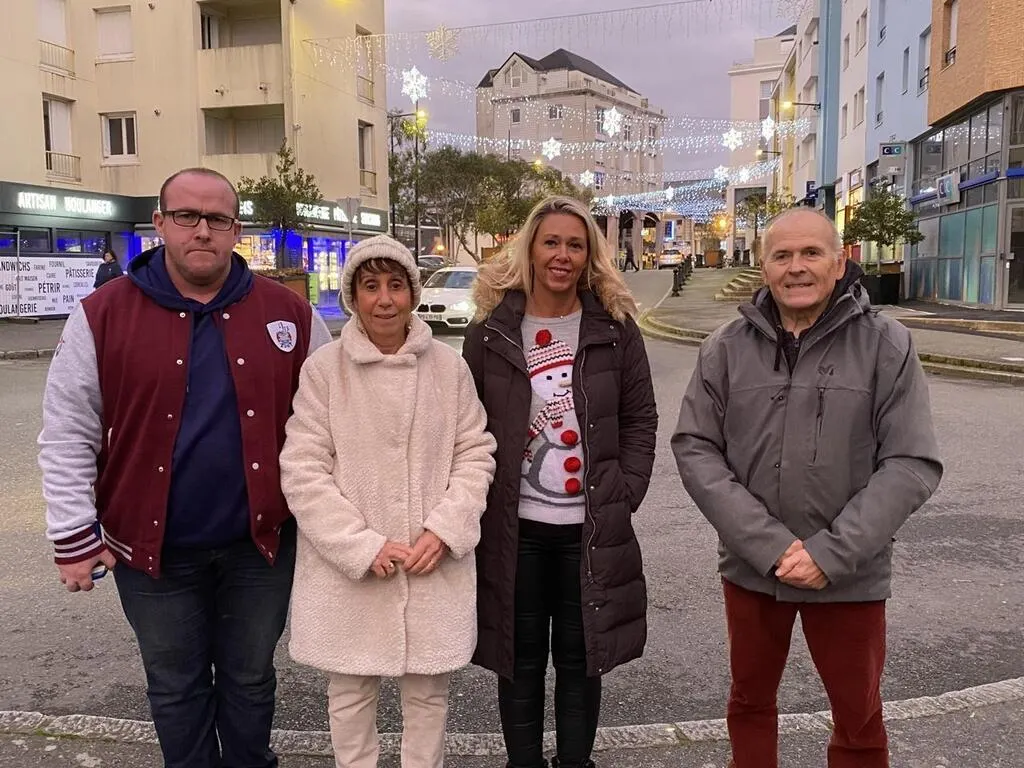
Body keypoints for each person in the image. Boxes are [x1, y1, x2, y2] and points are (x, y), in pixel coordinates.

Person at [38, 167, 333, 768]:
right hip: (151, 553)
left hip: (260, 548)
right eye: (187, 217)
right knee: (175, 685)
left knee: (251, 679)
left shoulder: (293, 316)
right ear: (160, 224)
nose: (203, 230)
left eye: (218, 219)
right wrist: (73, 535)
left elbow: (334, 427)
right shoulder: (101, 315)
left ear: (236, 230)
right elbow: (68, 432)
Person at [672, 207, 943, 768]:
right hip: (753, 570)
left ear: (841, 261)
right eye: (782, 255)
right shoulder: (724, 348)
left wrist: (829, 553)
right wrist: (769, 546)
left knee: (859, 718)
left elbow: (911, 462)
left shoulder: (886, 345)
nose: (796, 268)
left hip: (850, 574)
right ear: (764, 266)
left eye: (811, 254)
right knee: (748, 703)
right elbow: (696, 449)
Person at [279, 234, 496, 768]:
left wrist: (445, 529)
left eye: (396, 285)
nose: (384, 299)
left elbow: (476, 453)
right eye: (370, 286)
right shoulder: (324, 370)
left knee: (429, 697)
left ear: (413, 293)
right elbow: (303, 468)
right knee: (350, 697)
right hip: (350, 571)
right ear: (353, 295)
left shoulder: (450, 369)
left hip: (430, 562)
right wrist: (359, 545)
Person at [463, 196, 658, 768]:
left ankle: (575, 763)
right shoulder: (492, 332)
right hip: (513, 530)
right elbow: (465, 425)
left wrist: (623, 493)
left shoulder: (615, 330)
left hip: (588, 531)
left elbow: (640, 418)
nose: (563, 255)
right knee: (518, 660)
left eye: (576, 244)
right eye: (552, 242)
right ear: (530, 248)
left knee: (580, 658)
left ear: (589, 255)